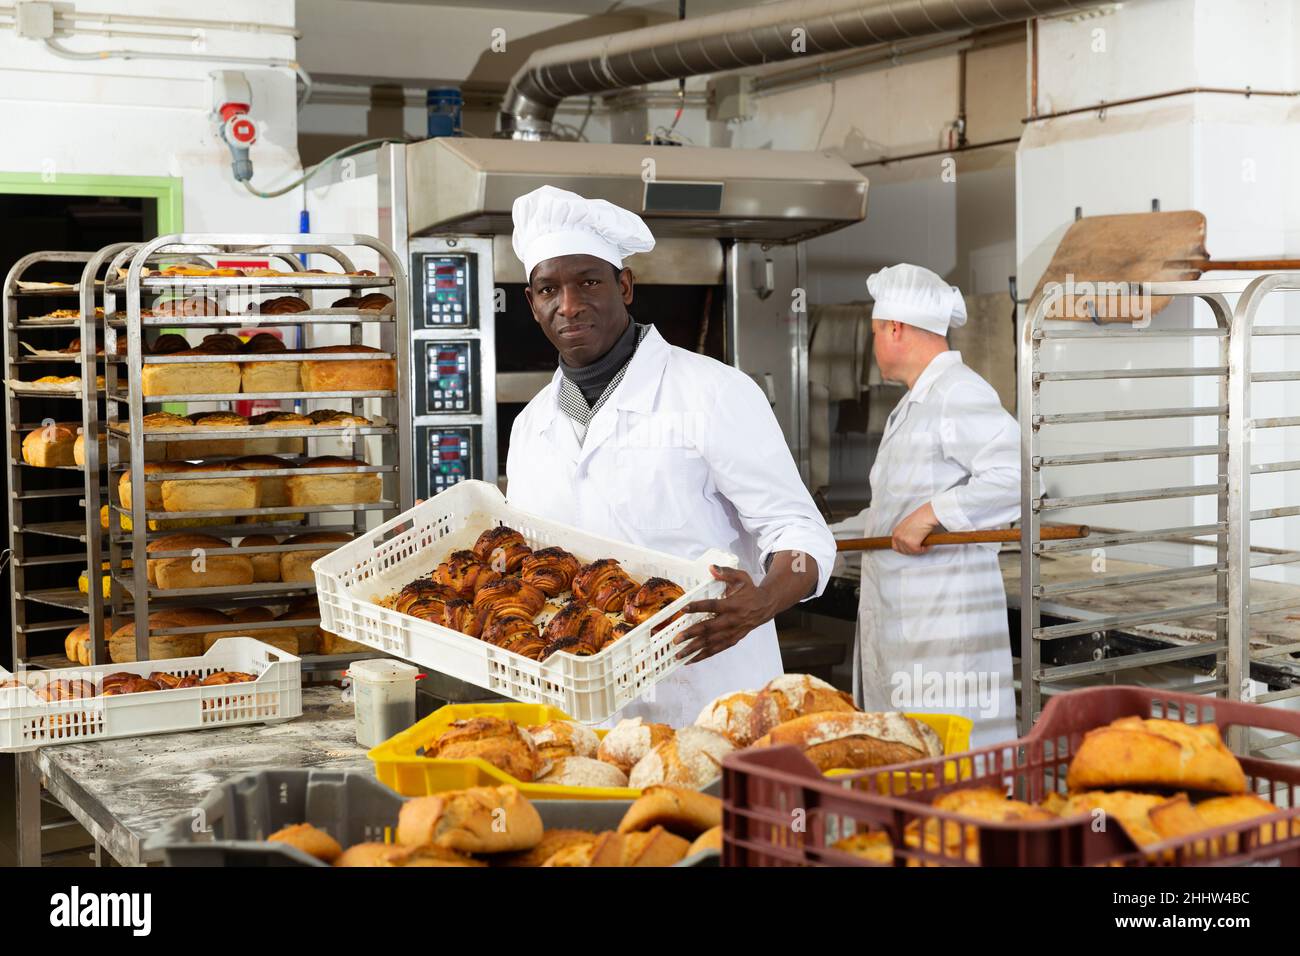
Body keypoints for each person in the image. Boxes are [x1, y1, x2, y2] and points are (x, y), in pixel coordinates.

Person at [504, 185, 836, 727]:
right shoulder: (530, 428)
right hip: (580, 720)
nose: (568, 305)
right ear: (532, 302)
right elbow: (536, 570)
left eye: (588, 281)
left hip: (708, 705)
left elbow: (802, 536)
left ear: (625, 285)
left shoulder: (714, 393)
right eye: (549, 289)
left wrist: (760, 603)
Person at [841, 263, 1020, 746]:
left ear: (895, 329)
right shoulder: (918, 403)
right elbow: (890, 517)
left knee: (951, 765)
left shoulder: (958, 392)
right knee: (911, 758)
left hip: (945, 631)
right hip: (908, 624)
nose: (874, 343)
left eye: (876, 331)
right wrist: (824, 538)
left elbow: (1018, 474)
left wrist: (931, 514)